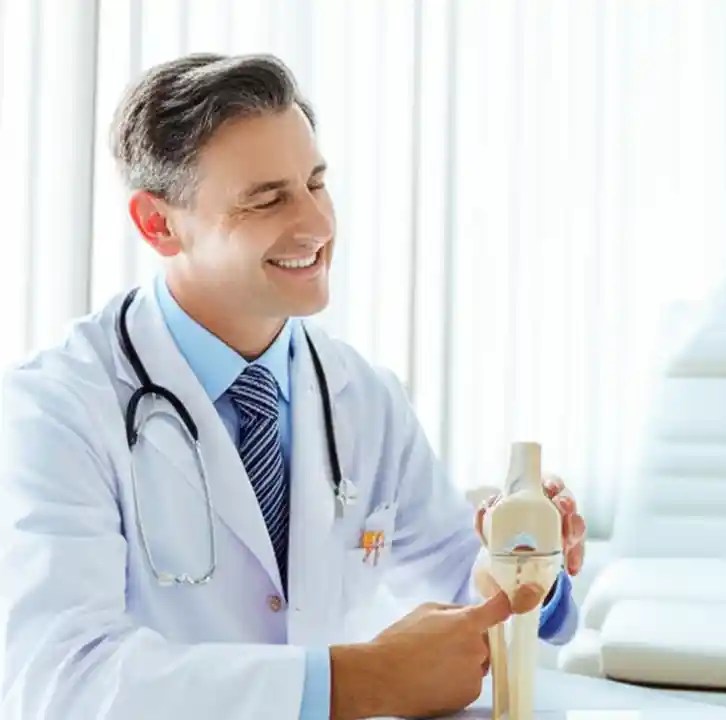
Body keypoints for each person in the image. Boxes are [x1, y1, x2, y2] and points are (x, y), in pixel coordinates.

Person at [0, 54, 587, 720]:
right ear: (158, 224)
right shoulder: (56, 409)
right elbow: (61, 681)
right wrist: (356, 681)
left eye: (316, 183)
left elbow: (460, 577)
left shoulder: (363, 396)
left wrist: (523, 563)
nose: (317, 225)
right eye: (267, 199)